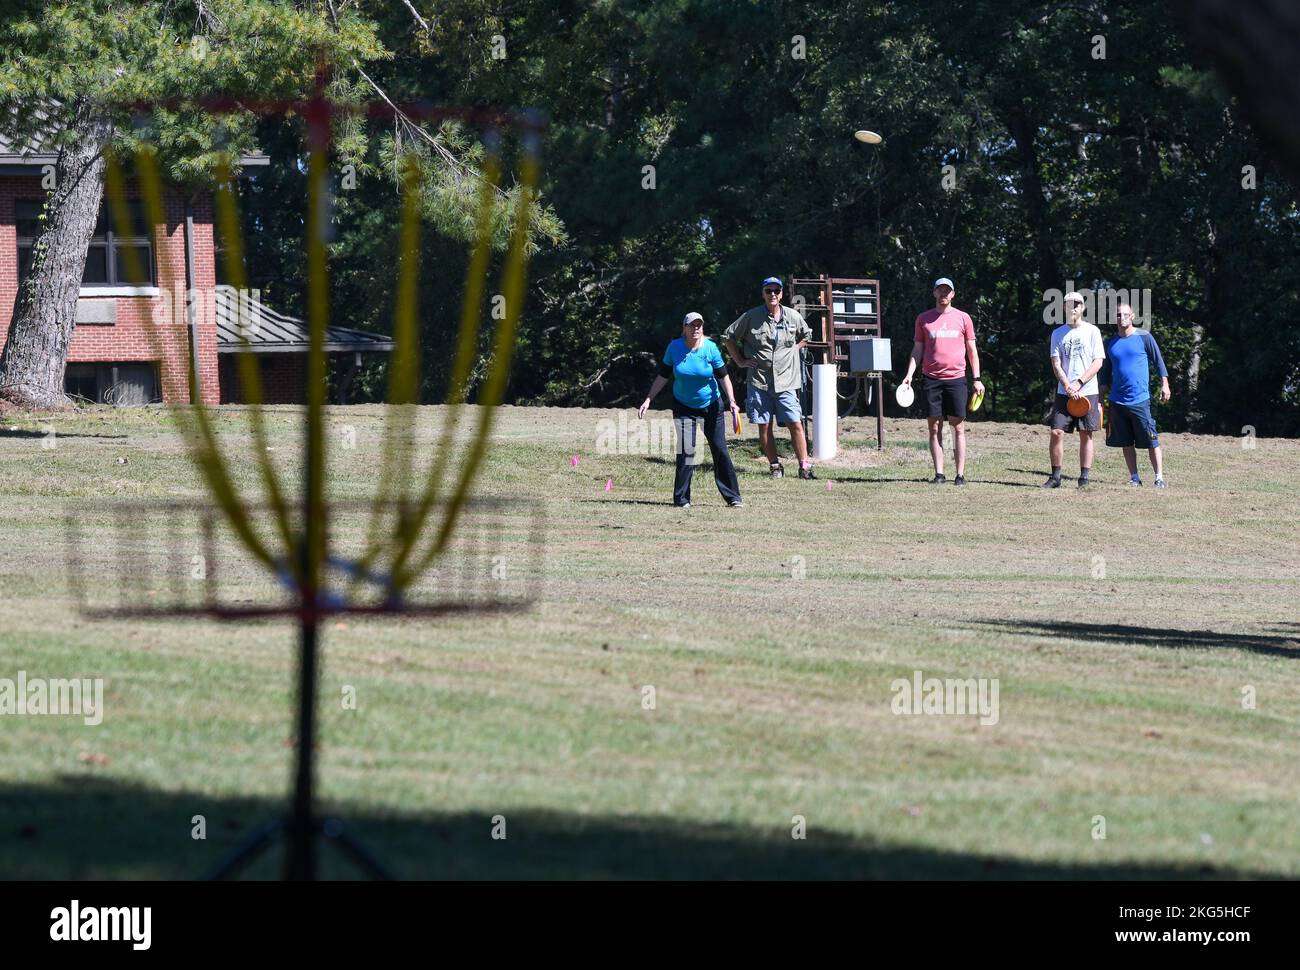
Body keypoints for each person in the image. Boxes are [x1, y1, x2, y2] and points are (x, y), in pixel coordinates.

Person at [639, 312, 743, 509]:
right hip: (683, 406)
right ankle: (682, 499)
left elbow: (723, 377)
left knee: (720, 449)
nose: (695, 329)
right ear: (684, 328)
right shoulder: (675, 347)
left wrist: (732, 401)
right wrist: (648, 399)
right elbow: (663, 375)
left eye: (699, 325)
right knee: (687, 450)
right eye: (691, 325)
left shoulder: (710, 348)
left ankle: (733, 497)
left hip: (711, 405)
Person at [722, 276, 815, 479]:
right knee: (764, 426)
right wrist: (739, 360)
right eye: (768, 291)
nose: (772, 294)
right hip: (759, 381)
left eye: (776, 291)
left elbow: (806, 335)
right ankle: (775, 466)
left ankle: (805, 467)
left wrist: (795, 351)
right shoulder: (751, 316)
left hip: (787, 381)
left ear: (781, 294)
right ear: (762, 294)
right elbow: (727, 336)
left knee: (795, 423)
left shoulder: (792, 316)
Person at [900, 277, 985, 485]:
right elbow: (917, 350)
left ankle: (960, 475)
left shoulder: (963, 318)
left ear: (953, 294)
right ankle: (939, 474)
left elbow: (972, 351)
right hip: (932, 379)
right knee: (935, 427)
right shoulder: (923, 319)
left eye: (948, 290)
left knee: (958, 427)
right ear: (934, 293)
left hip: (956, 379)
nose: (944, 294)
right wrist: (909, 374)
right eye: (940, 290)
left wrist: (977, 379)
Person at [1099, 302, 1171, 487]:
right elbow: (1105, 374)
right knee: (1126, 442)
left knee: (1151, 440)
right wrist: (1099, 400)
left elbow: (1159, 362)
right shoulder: (1110, 343)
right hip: (1117, 401)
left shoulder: (1144, 337)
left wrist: (1165, 384)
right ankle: (1135, 477)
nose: (1121, 318)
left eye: (1125, 314)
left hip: (1140, 400)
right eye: (1118, 315)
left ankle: (1159, 477)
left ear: (1132, 316)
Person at [1044, 290, 1106, 488]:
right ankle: (1056, 477)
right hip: (1065, 392)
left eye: (1077, 304)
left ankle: (1084, 478)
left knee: (1086, 433)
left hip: (1088, 390)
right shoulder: (1058, 333)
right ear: (1064, 307)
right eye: (1069, 304)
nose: (1073, 307)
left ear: (1083, 307)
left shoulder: (1092, 331)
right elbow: (1056, 363)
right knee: (1056, 432)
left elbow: (1098, 362)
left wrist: (1079, 383)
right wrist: (1067, 385)